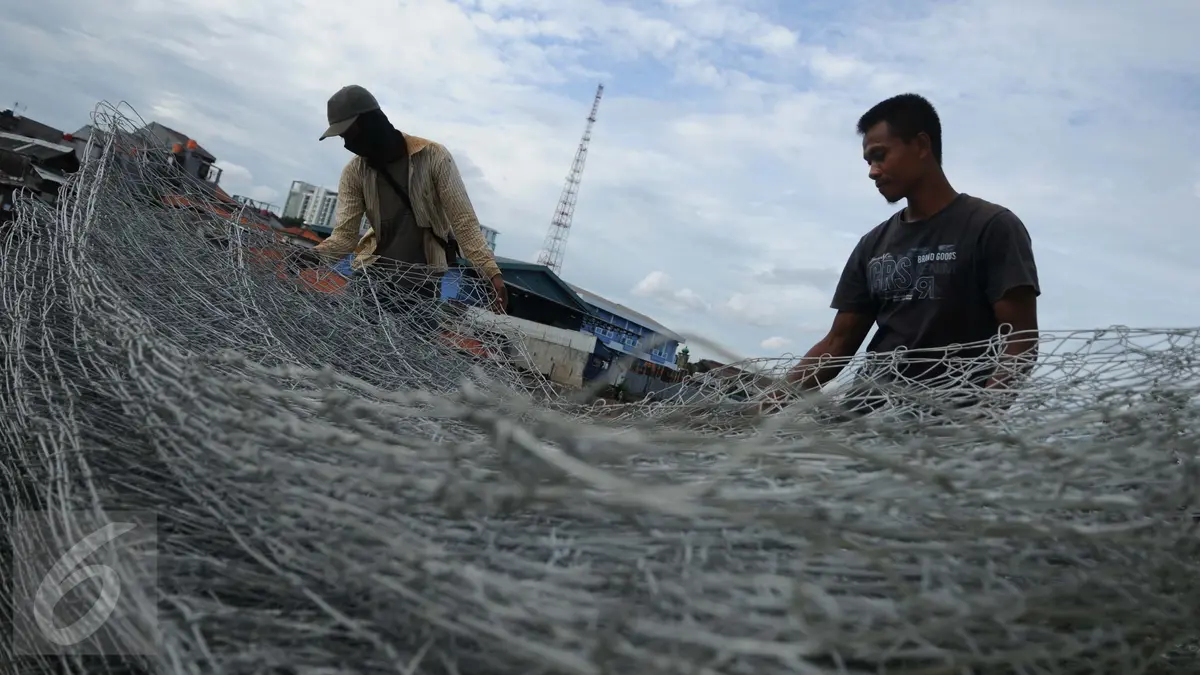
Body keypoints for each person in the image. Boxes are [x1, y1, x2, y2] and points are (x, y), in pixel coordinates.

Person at [773, 93, 1040, 414]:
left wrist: (978, 421)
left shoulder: (991, 227)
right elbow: (837, 344)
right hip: (863, 416)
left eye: (880, 156)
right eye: (868, 161)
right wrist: (770, 402)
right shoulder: (872, 244)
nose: (873, 171)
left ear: (921, 145)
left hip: (945, 424)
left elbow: (1020, 342)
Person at [308, 84, 507, 317]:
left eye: (348, 134)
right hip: (371, 277)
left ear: (370, 123)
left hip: (422, 284)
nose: (347, 144)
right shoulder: (355, 173)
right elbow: (344, 237)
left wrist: (492, 273)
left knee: (414, 350)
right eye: (342, 137)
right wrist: (314, 256)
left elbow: (463, 222)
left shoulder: (433, 157)